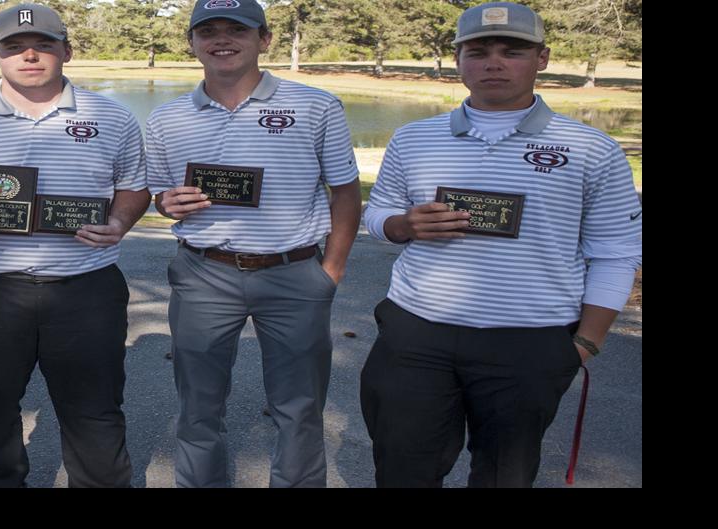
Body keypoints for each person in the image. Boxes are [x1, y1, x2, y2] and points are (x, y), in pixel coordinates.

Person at [359, 2, 642, 487]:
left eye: (512, 51)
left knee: (503, 475)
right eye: (478, 50)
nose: (493, 62)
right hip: (417, 333)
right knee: (403, 467)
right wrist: (404, 224)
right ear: (458, 59)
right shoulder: (413, 138)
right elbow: (377, 214)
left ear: (543, 58)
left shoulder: (592, 149)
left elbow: (615, 252)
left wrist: (586, 342)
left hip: (530, 340)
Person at [0, 3, 150, 488]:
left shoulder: (112, 115)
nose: (29, 55)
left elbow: (134, 186)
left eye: (43, 44)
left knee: (95, 412)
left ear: (66, 50)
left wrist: (119, 222)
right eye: (14, 47)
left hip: (85, 286)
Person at [145, 0, 360, 488]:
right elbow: (159, 195)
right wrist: (167, 202)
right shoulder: (166, 118)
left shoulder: (315, 105)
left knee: (299, 409)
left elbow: (344, 191)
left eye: (237, 30)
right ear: (193, 43)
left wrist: (333, 269)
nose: (222, 39)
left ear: (263, 39)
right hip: (204, 271)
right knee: (198, 408)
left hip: (294, 271)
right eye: (209, 31)